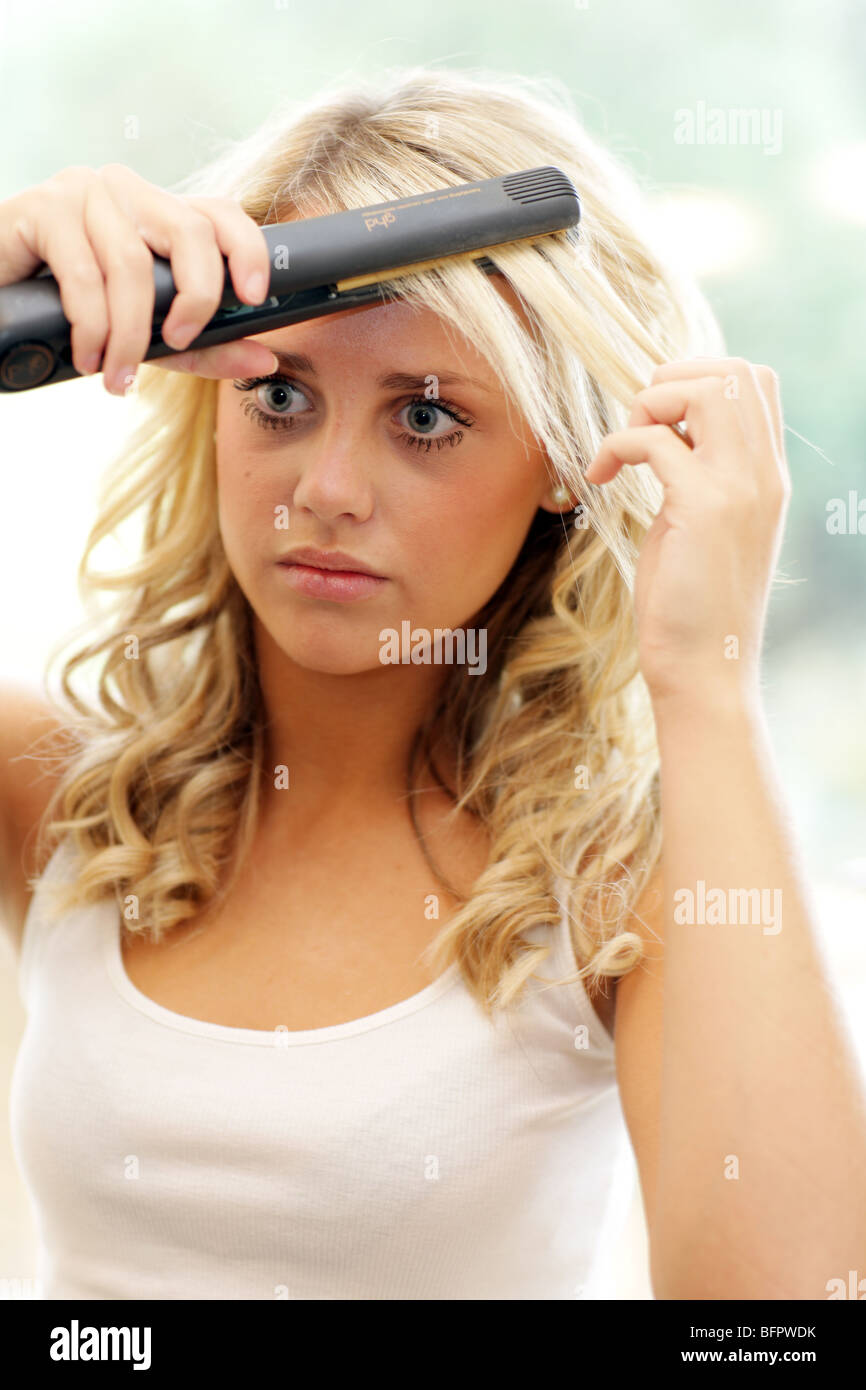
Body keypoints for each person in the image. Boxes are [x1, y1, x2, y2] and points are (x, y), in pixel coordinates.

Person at [2, 65, 864, 1302]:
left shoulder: (615, 887)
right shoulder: (64, 795)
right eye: (281, 395)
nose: (327, 489)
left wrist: (705, 682)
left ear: (566, 457)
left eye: (423, 416)